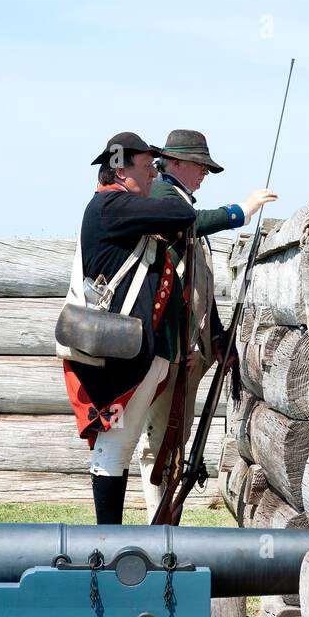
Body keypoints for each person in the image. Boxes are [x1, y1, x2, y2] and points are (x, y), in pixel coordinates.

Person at [135, 129, 277, 520]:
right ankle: (157, 524)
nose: (205, 175)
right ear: (176, 162)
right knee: (162, 440)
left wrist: (215, 335)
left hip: (188, 346)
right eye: (201, 166)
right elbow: (194, 221)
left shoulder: (179, 203)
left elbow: (200, 283)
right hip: (166, 345)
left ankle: (166, 524)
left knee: (175, 438)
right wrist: (240, 212)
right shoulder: (164, 197)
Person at [62, 131, 198, 524]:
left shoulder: (121, 208)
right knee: (114, 445)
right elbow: (182, 215)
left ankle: (112, 538)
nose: (154, 175)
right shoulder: (110, 205)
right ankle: (107, 539)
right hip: (117, 359)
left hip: (132, 355)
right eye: (146, 167)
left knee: (119, 447)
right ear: (120, 170)